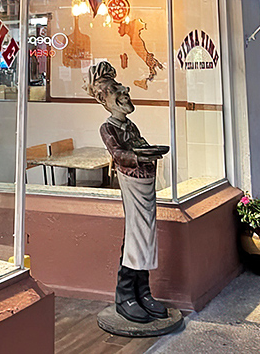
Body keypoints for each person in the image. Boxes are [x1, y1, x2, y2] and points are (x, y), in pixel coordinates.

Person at [85, 61, 168, 323]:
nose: (124, 92)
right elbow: (119, 154)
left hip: (146, 182)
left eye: (121, 87)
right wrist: (139, 155)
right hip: (132, 184)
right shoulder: (108, 128)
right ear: (104, 99)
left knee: (147, 234)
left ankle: (142, 291)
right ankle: (125, 295)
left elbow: (140, 144)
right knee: (136, 234)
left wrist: (146, 151)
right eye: (115, 90)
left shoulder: (130, 127)